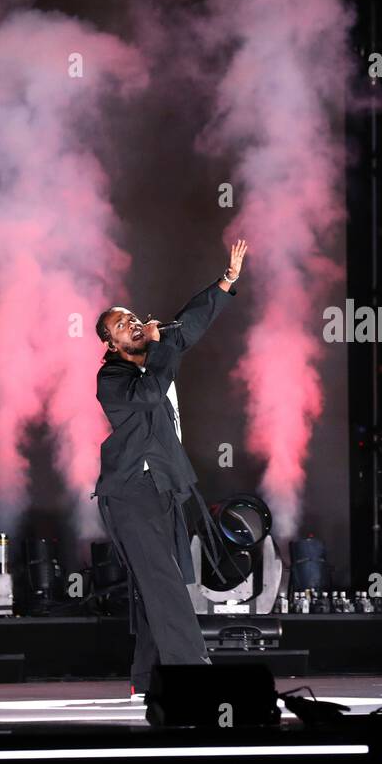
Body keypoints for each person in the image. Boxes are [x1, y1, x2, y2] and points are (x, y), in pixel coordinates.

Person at [92, 239, 247, 692]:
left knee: (158, 581)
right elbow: (150, 395)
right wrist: (161, 347)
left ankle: (148, 676)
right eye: (122, 324)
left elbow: (192, 320)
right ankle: (191, 675)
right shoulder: (112, 379)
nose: (134, 323)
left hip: (162, 489)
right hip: (130, 493)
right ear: (111, 342)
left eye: (134, 317)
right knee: (164, 582)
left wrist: (226, 280)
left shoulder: (160, 350)